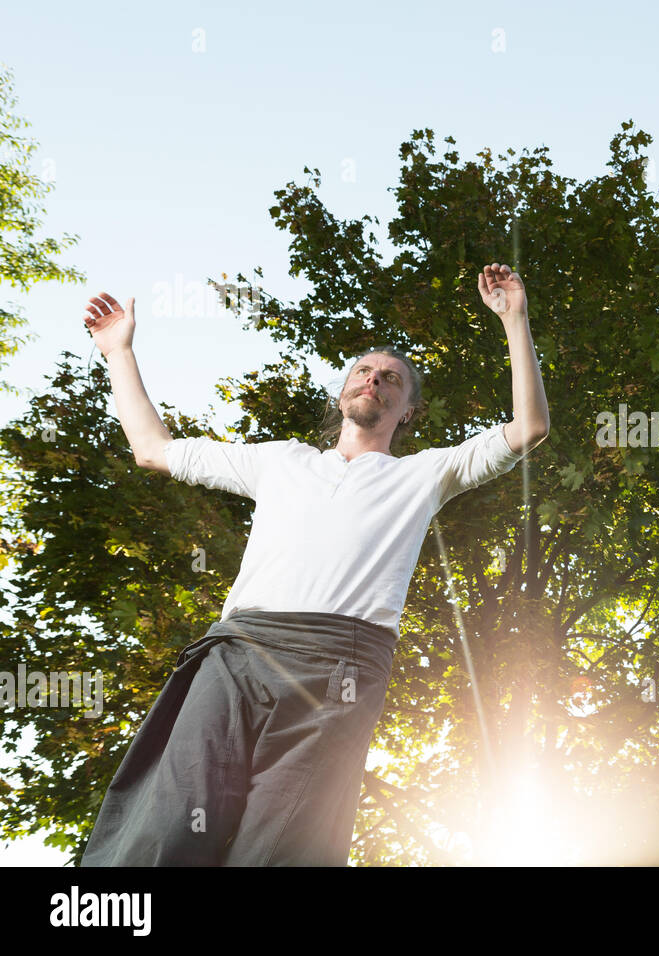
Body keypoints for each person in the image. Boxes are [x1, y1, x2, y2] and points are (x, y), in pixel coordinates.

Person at [78, 263, 549, 866]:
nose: (374, 379)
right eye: (364, 370)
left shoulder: (424, 475)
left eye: (392, 379)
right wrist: (119, 352)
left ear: (407, 410)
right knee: (170, 822)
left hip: (340, 667)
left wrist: (515, 320)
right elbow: (152, 449)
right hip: (240, 653)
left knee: (285, 842)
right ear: (344, 391)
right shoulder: (280, 462)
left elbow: (529, 428)